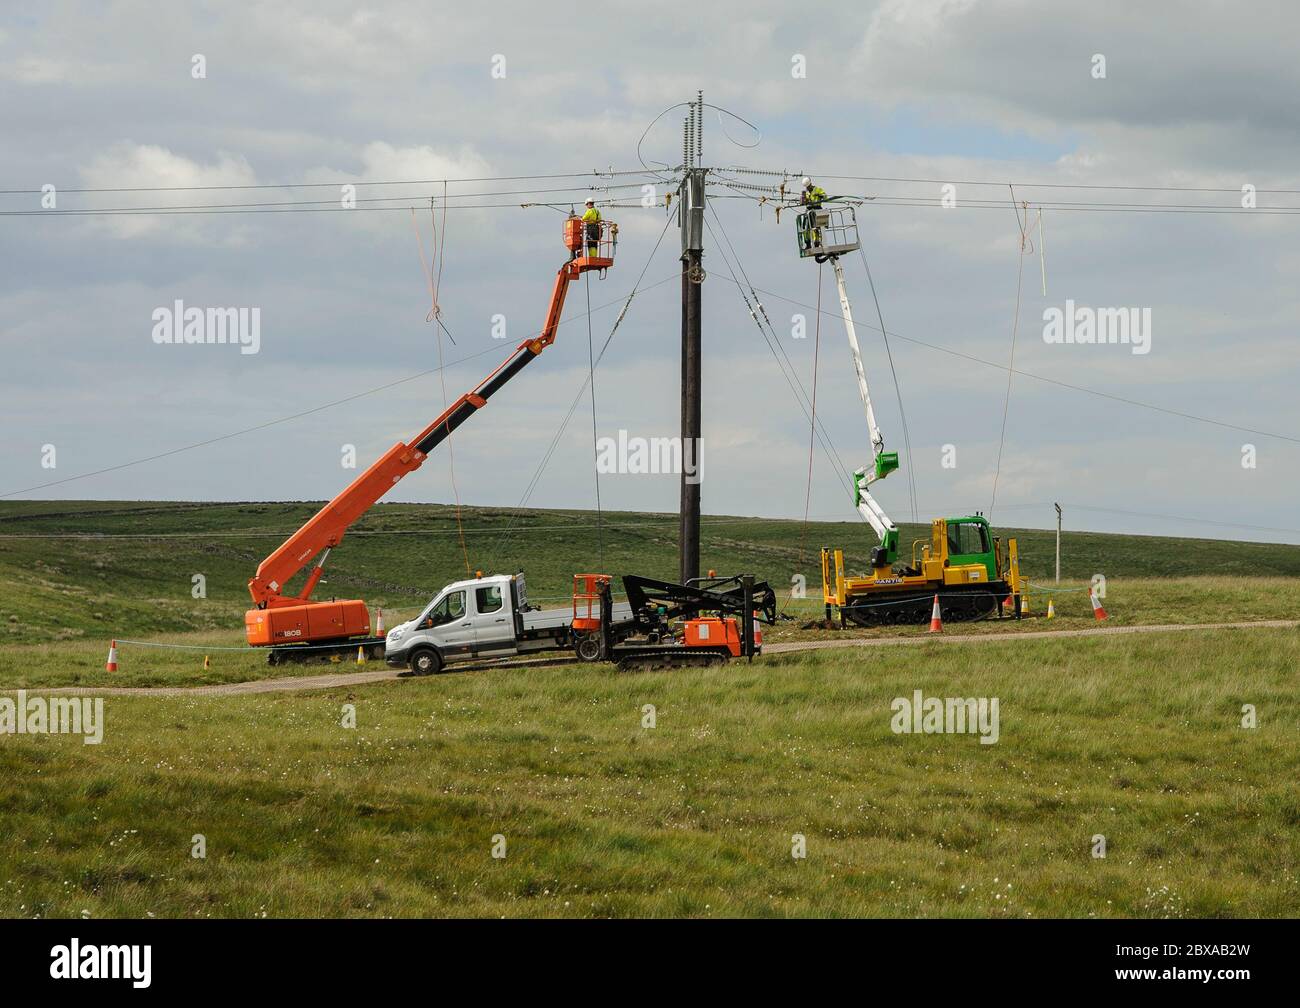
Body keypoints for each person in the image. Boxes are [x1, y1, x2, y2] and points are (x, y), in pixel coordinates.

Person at [799, 177, 828, 254]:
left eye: (808, 186)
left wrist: (820, 195)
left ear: (810, 184)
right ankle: (808, 243)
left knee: (815, 228)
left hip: (816, 210)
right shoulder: (806, 192)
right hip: (808, 212)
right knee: (805, 228)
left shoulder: (817, 189)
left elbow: (825, 196)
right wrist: (803, 199)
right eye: (806, 187)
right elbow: (802, 201)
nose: (808, 188)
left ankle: (816, 243)